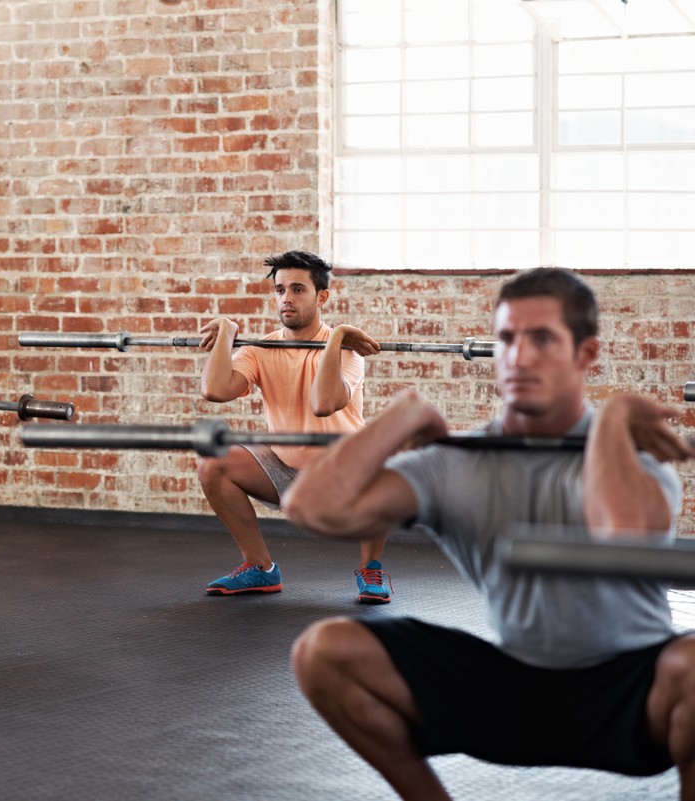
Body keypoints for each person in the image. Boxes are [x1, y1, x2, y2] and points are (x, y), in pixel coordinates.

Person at [283, 267, 695, 799]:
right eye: (507, 339)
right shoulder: (455, 463)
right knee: (324, 652)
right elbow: (311, 507)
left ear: (586, 355)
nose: (519, 358)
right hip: (510, 687)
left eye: (542, 339)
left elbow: (618, 542)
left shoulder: (634, 450)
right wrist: (401, 418)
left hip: (634, 696)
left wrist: (613, 421)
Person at [197, 249, 389, 602]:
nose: (286, 298)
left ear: (322, 296)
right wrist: (226, 332)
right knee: (213, 463)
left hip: (344, 476)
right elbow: (214, 390)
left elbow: (324, 403)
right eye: (280, 290)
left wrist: (338, 336)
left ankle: (371, 568)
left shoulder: (348, 350)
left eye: (297, 289)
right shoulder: (260, 349)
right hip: (286, 470)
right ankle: (260, 568)